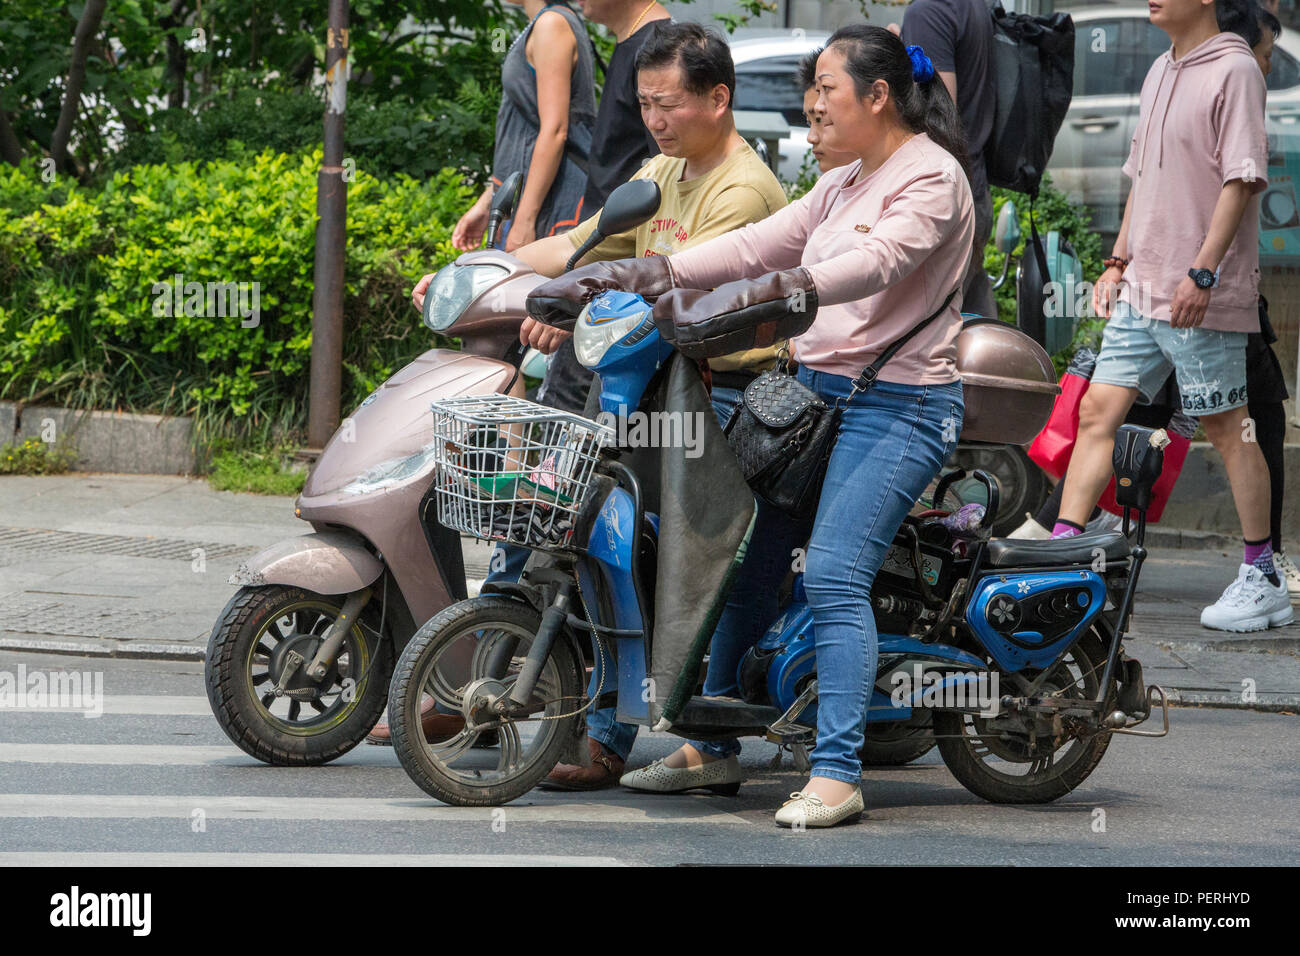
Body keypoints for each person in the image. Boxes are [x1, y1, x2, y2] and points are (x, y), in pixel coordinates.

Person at [529, 25, 974, 826]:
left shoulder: (932, 179)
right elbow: (749, 247)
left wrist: (771, 295)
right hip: (811, 398)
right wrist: (629, 273)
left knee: (834, 575)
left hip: (899, 408)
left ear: (877, 97)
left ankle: (838, 772)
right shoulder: (843, 181)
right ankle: (715, 746)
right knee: (743, 561)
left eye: (826, 89)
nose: (812, 103)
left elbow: (872, 267)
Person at [392, 22, 790, 775]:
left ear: (718, 98)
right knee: (582, 531)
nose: (654, 120)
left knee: (636, 550)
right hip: (647, 390)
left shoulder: (742, 190)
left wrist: (563, 306)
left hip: (721, 402)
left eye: (667, 104)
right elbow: (585, 249)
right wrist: (491, 274)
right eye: (643, 104)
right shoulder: (662, 171)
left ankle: (655, 735)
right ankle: (597, 723)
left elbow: (664, 286)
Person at [1016, 8, 1299, 599]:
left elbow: (1242, 180)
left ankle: (1260, 574)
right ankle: (1065, 547)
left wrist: (1203, 271)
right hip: (1142, 290)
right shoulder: (1158, 70)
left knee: (1229, 429)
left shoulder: (1236, 68)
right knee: (1097, 413)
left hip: (1198, 293)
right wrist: (1117, 262)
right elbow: (1142, 178)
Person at [530, 0, 673, 417]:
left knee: (570, 419)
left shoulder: (659, 46)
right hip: (595, 261)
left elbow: (660, 185)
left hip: (616, 282)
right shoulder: (632, 42)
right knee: (567, 414)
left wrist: (591, 288)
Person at [450, 0, 596, 256]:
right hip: (532, 198)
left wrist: (525, 222)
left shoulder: (552, 24)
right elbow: (526, 133)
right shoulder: (546, 22)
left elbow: (555, 130)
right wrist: (490, 201)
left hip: (554, 203)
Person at [902, 0, 996, 321]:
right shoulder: (971, 6)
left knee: (928, 329)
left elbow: (937, 115)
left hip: (942, 198)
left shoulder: (927, 11)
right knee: (972, 323)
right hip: (975, 189)